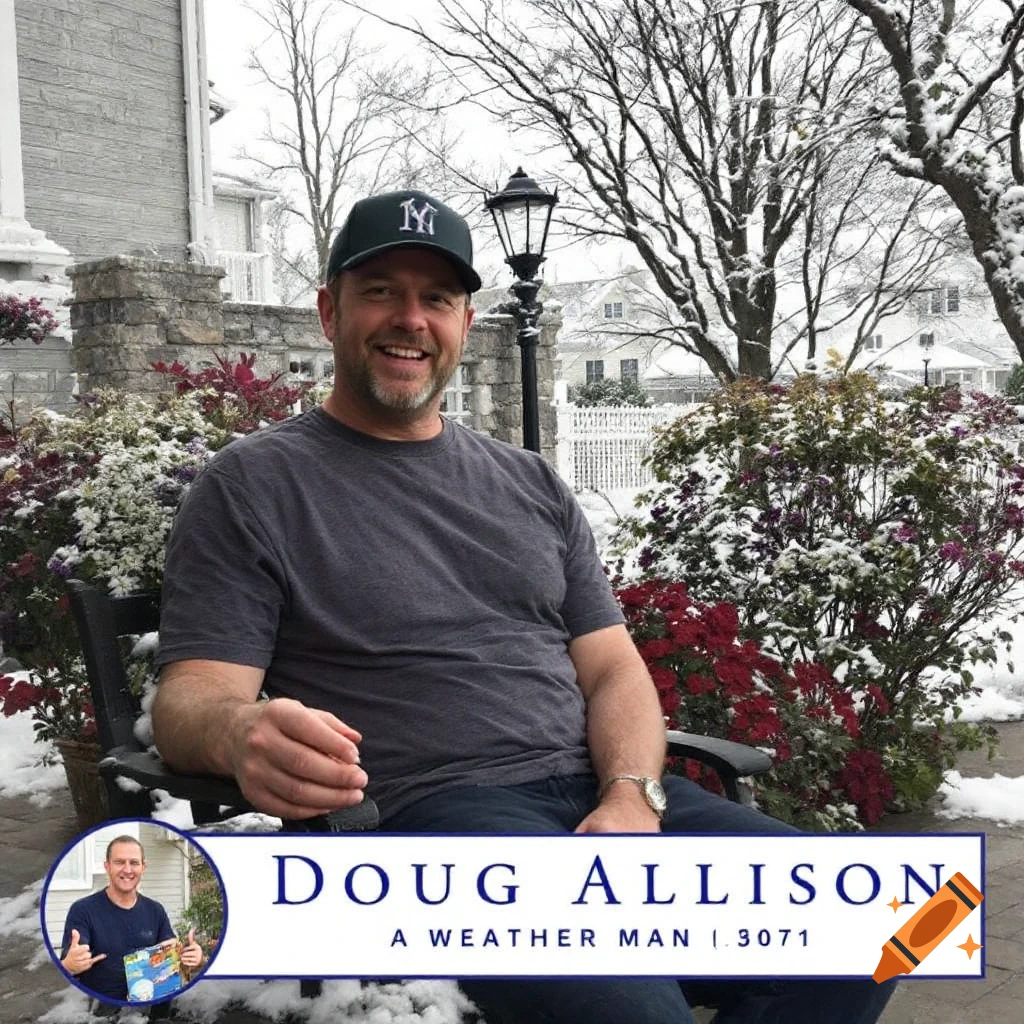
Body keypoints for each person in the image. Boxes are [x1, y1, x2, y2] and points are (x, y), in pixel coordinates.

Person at [150, 189, 896, 1024]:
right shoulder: (254, 487)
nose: (411, 319)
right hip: (431, 821)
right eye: (381, 291)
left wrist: (629, 795)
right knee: (633, 1009)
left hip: (596, 799)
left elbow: (613, 667)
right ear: (330, 311)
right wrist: (238, 730)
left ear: (466, 323)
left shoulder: (529, 483)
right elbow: (192, 697)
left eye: (437, 298)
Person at [59, 836, 203, 1009]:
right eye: (120, 862)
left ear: (143, 867)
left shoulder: (155, 910)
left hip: (150, 1012)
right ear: (107, 866)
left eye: (134, 863)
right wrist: (70, 965)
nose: (127, 869)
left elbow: (170, 956)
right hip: (102, 1013)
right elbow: (66, 968)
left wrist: (193, 959)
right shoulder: (83, 910)